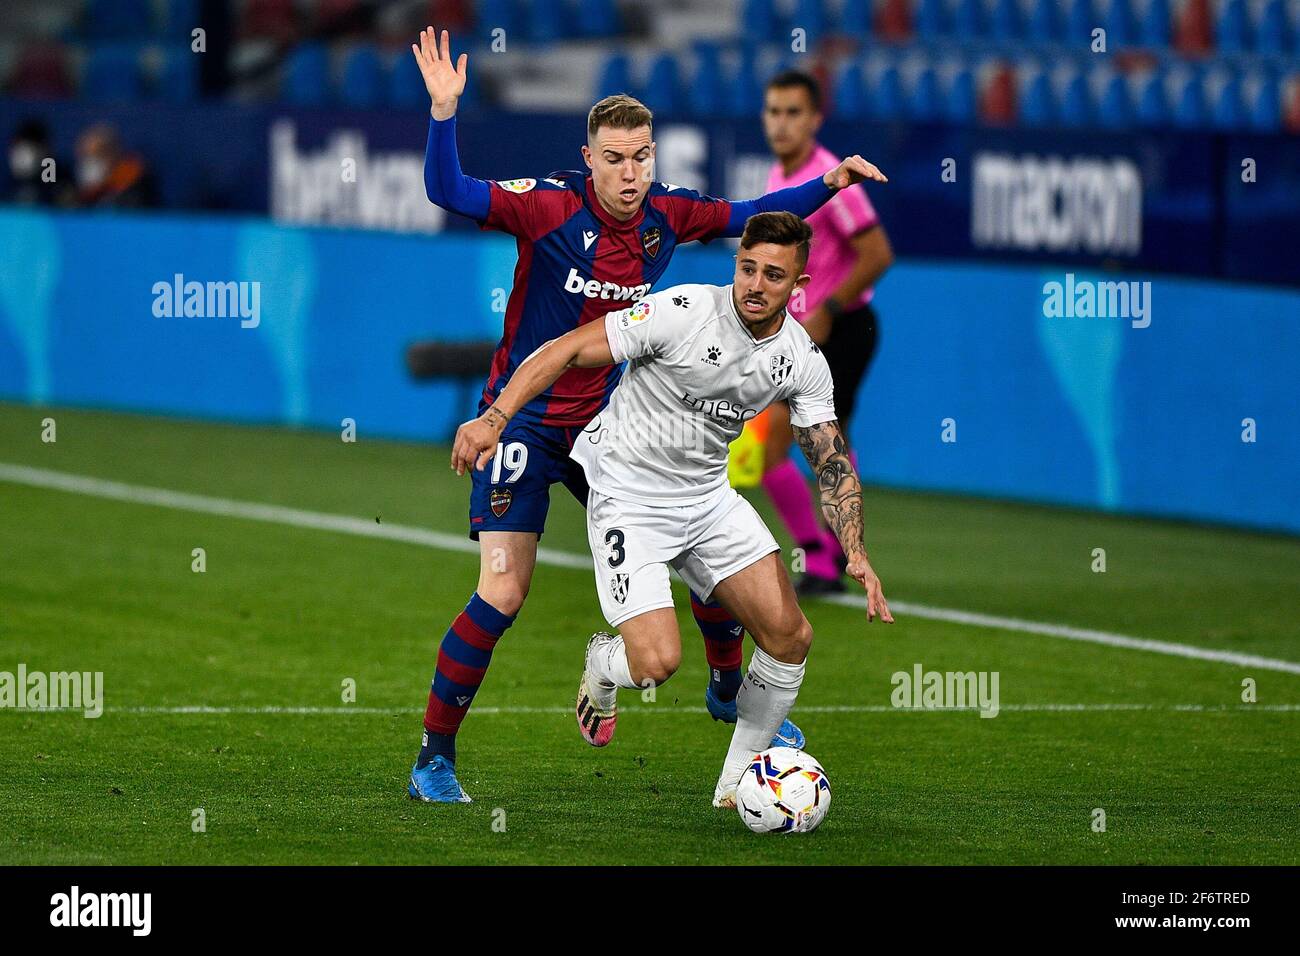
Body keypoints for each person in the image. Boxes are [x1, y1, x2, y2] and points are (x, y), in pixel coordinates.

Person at [407, 28, 888, 803]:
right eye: (616, 158)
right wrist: (442, 115)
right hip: (528, 421)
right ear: (589, 158)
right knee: (503, 589)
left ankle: (728, 693)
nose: (631, 172)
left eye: (642, 155)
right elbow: (452, 193)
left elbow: (758, 212)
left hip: (611, 428)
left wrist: (830, 183)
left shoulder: (670, 216)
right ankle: (434, 756)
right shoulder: (549, 208)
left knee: (702, 544)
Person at [451, 212, 894, 807]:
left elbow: (830, 459)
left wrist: (856, 554)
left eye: (773, 275)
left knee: (790, 636)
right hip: (627, 496)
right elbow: (566, 349)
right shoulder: (682, 311)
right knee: (657, 662)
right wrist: (494, 418)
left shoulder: (802, 359)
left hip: (707, 498)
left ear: (799, 285)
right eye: (747, 268)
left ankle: (738, 786)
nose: (755, 284)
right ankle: (605, 663)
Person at [746, 70, 894, 595]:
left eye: (793, 112)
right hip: (805, 333)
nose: (781, 123)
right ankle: (834, 552)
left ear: (814, 119)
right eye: (773, 111)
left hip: (843, 326)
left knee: (777, 448)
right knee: (825, 446)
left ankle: (821, 559)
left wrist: (829, 306)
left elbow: (878, 254)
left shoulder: (833, 176)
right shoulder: (777, 177)